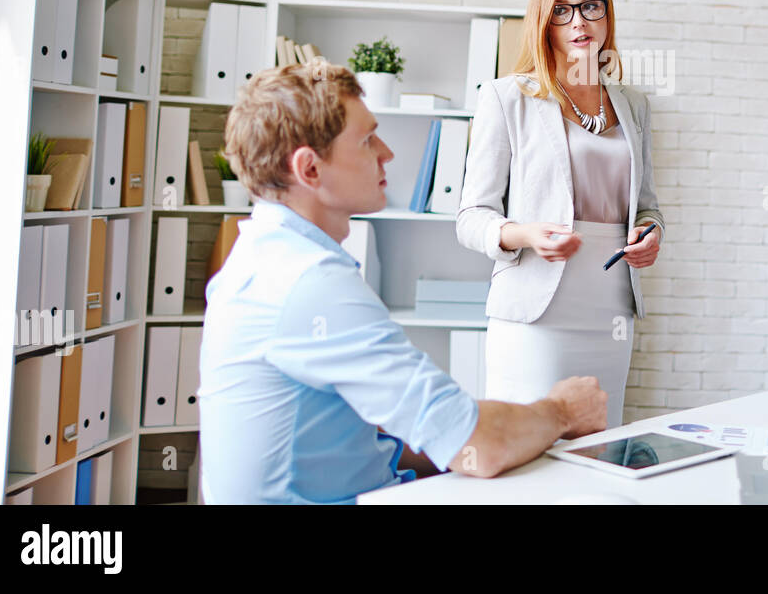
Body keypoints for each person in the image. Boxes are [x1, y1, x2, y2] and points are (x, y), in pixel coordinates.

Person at [198, 62, 606, 504]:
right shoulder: (309, 283)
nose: (387, 152)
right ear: (310, 169)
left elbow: (391, 438)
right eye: (367, 139)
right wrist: (562, 411)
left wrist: (471, 433)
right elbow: (481, 449)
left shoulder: (266, 256)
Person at [457, 0, 664, 429]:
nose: (579, 22)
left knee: (602, 446)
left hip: (612, 311)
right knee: (530, 450)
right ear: (543, 21)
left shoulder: (633, 105)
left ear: (607, 13)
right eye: (562, 10)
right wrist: (525, 234)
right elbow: (471, 217)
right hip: (535, 313)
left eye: (591, 7)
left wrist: (652, 232)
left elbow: (647, 204)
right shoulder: (507, 97)